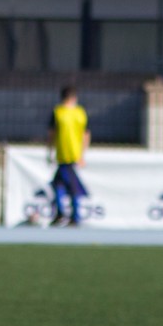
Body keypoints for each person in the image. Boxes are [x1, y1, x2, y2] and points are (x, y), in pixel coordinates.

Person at [46, 85, 90, 227]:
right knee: (59, 184)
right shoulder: (80, 113)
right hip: (75, 155)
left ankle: (73, 216)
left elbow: (51, 135)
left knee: (71, 187)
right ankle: (64, 214)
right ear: (74, 97)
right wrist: (82, 154)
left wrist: (50, 152)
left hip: (63, 154)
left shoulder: (58, 112)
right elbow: (86, 135)